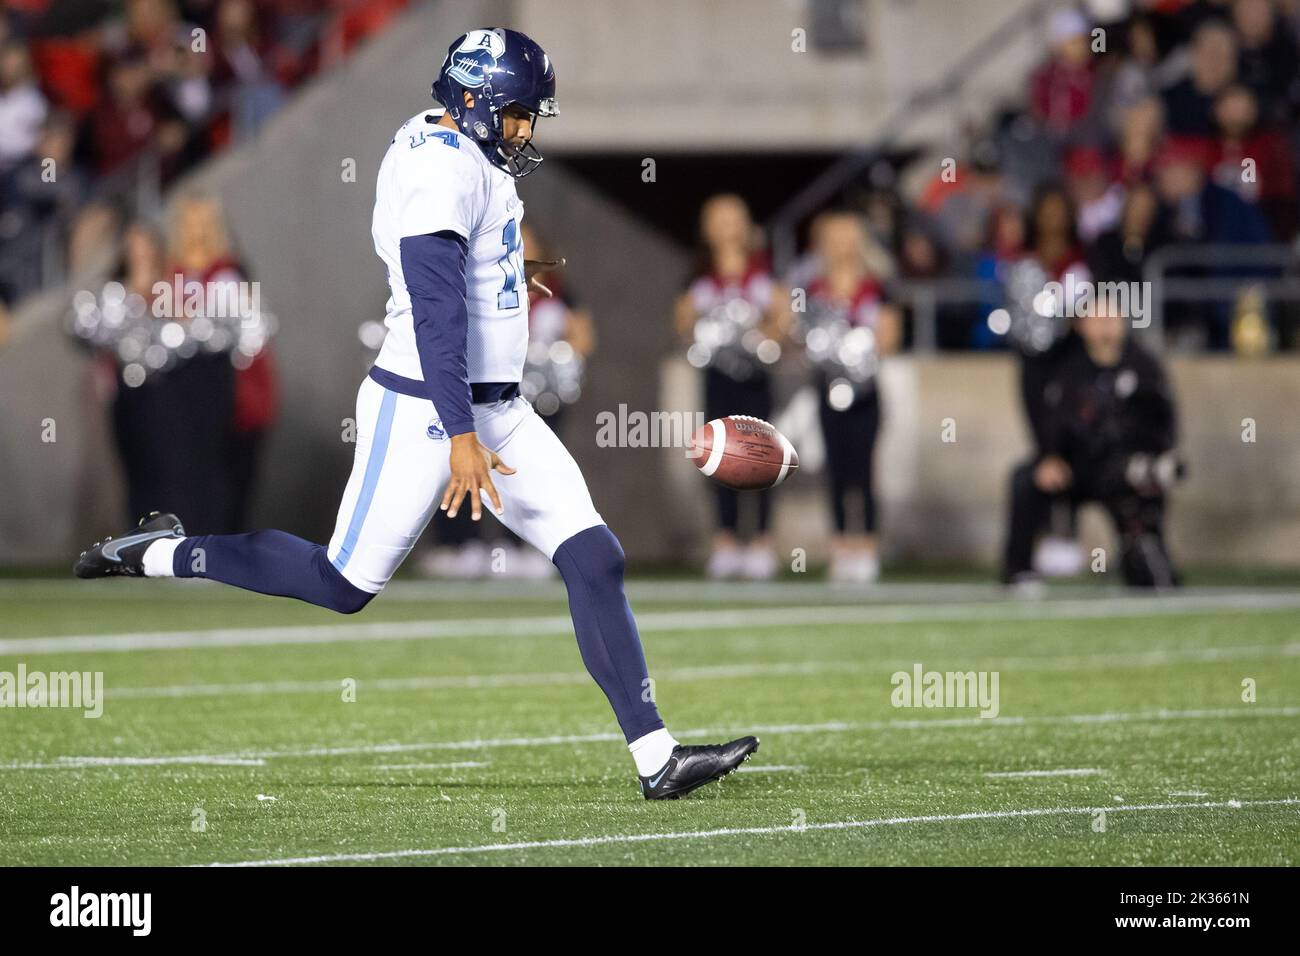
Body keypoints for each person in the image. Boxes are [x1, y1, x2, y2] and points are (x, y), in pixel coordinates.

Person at [74, 27, 757, 800]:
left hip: (502, 409)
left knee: (593, 555)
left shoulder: (464, 149)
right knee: (342, 583)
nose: (526, 129)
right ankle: (166, 553)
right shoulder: (439, 170)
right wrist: (461, 433)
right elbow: (435, 309)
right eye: (517, 114)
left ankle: (656, 759)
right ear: (472, 102)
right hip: (427, 409)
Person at [1001, 300, 1182, 589]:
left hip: (1123, 472)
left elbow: (1163, 423)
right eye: (1097, 316)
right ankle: (1018, 570)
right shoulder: (1062, 365)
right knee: (1025, 479)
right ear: (1080, 324)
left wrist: (1156, 460)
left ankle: (1144, 562)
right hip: (1074, 466)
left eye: (1112, 315)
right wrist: (1049, 456)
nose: (1106, 323)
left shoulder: (1144, 366)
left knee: (1149, 571)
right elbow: (1047, 413)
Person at [674, 193, 788, 580]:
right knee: (720, 454)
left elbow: (783, 320)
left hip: (755, 377)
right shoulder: (697, 274)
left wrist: (760, 337)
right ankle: (724, 540)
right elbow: (682, 323)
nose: (724, 227)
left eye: (731, 218)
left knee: (761, 454)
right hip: (718, 377)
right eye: (716, 220)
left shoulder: (764, 271)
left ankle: (761, 541)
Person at [803, 212, 899, 584]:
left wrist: (854, 349)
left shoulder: (877, 287)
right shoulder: (812, 289)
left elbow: (888, 338)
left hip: (866, 392)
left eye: (849, 237)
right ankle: (841, 546)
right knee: (837, 471)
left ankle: (868, 547)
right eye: (835, 237)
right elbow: (802, 339)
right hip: (826, 391)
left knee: (864, 470)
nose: (843, 245)